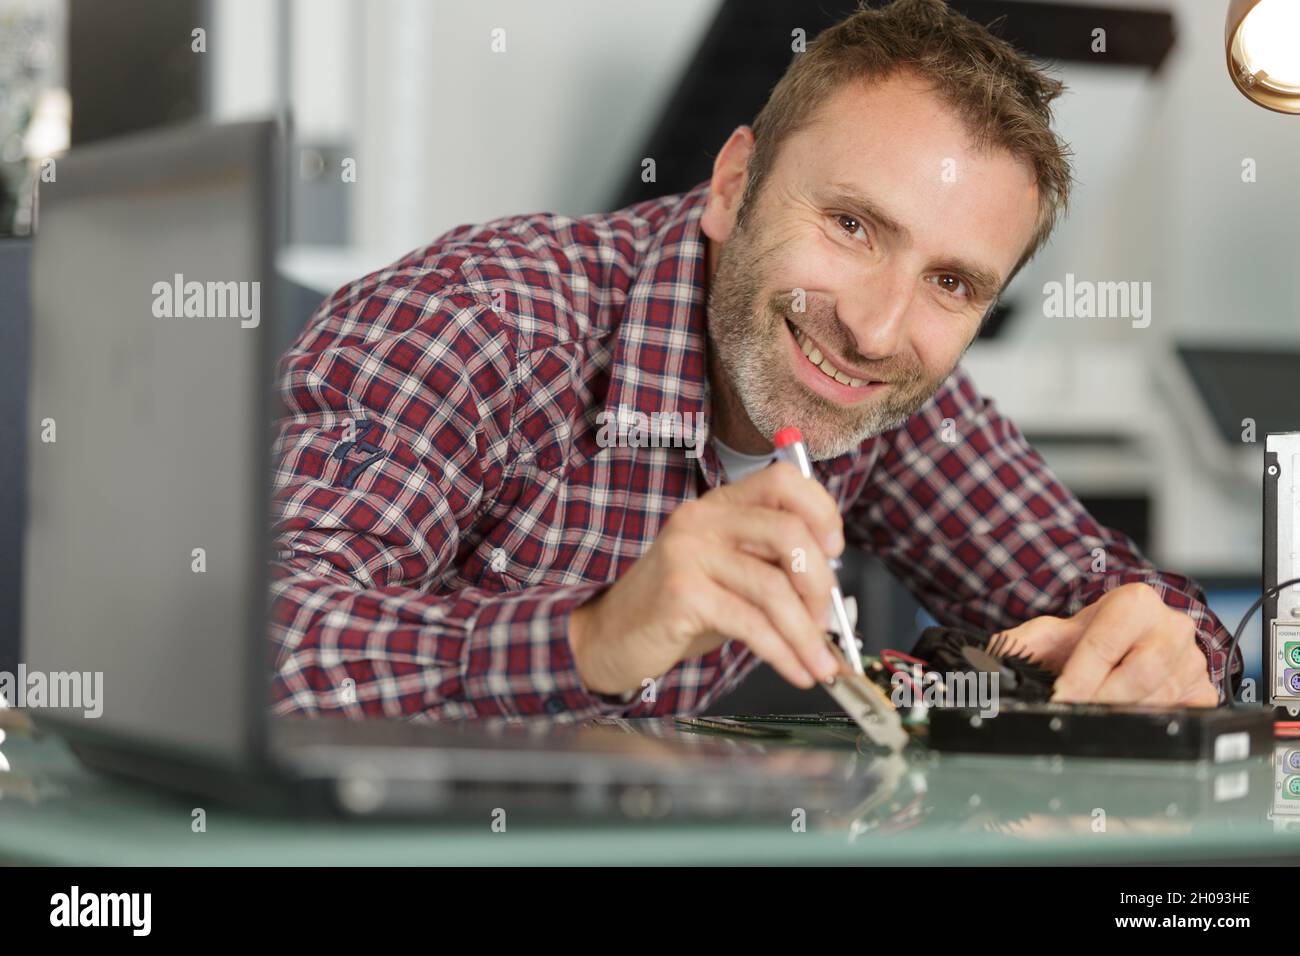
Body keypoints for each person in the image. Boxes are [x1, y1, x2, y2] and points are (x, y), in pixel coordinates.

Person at [269, 0, 1229, 720]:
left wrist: (1165, 647)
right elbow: (254, 647)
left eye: (952, 284)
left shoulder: (890, 389)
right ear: (733, 187)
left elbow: (1117, 596)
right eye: (852, 226)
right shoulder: (481, 323)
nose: (876, 327)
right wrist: (590, 640)